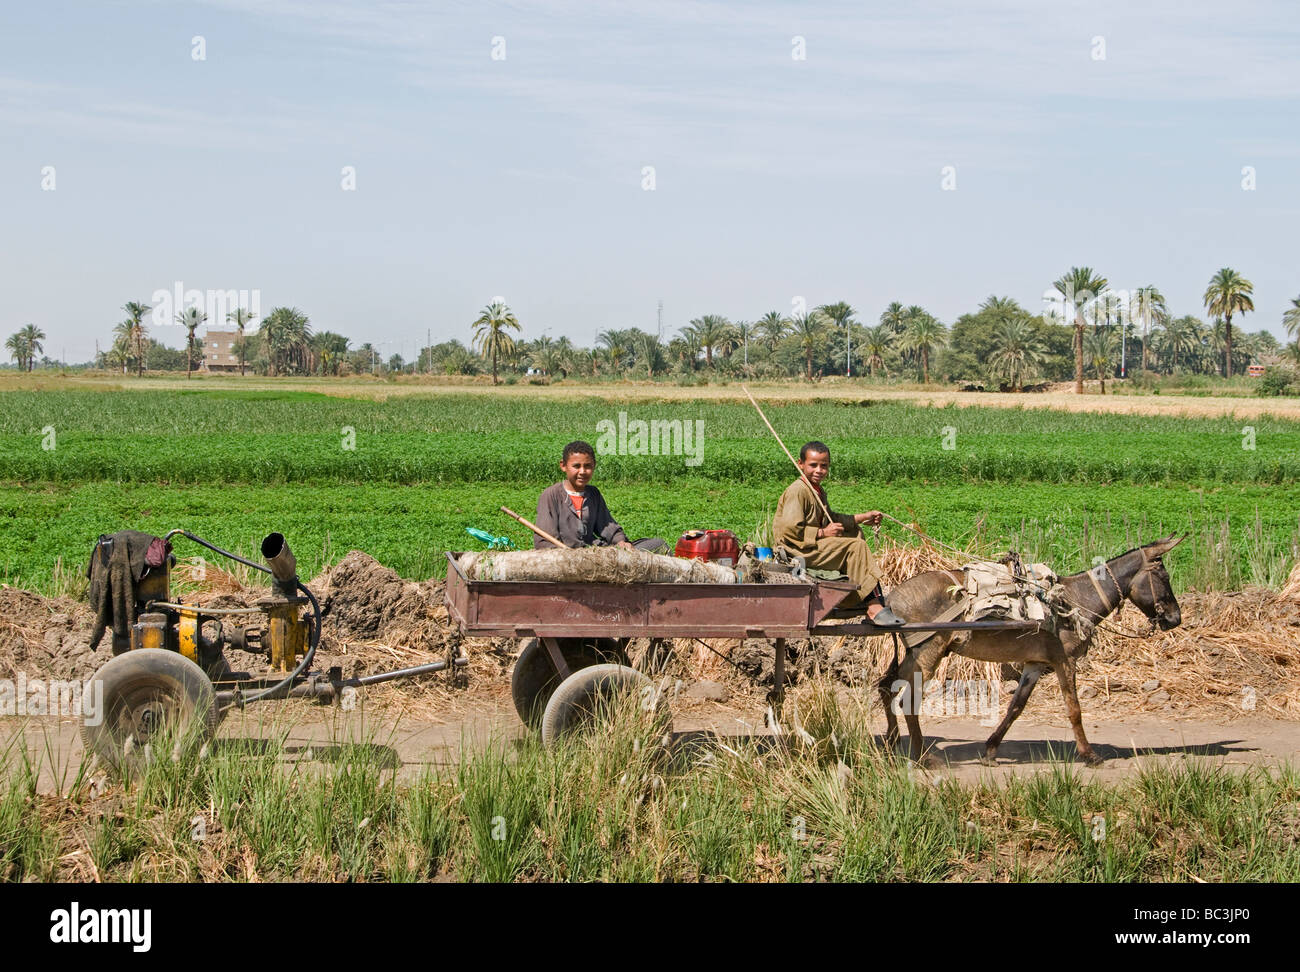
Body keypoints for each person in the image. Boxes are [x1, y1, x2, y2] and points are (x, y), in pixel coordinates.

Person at [772, 441, 905, 626]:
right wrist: (821, 532)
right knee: (855, 547)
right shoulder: (798, 490)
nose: (819, 470)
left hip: (810, 547)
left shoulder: (817, 490)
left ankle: (858, 594)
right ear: (800, 464)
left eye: (824, 466)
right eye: (813, 465)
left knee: (855, 534)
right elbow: (788, 530)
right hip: (798, 550)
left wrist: (861, 518)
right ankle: (874, 604)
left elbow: (830, 517)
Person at [535, 441, 666, 552]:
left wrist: (621, 542)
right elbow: (544, 542)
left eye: (587, 466)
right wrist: (567, 556)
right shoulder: (551, 495)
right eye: (576, 466)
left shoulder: (593, 494)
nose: (582, 471)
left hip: (596, 553)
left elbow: (608, 526)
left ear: (594, 466)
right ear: (563, 466)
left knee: (659, 545)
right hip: (568, 557)